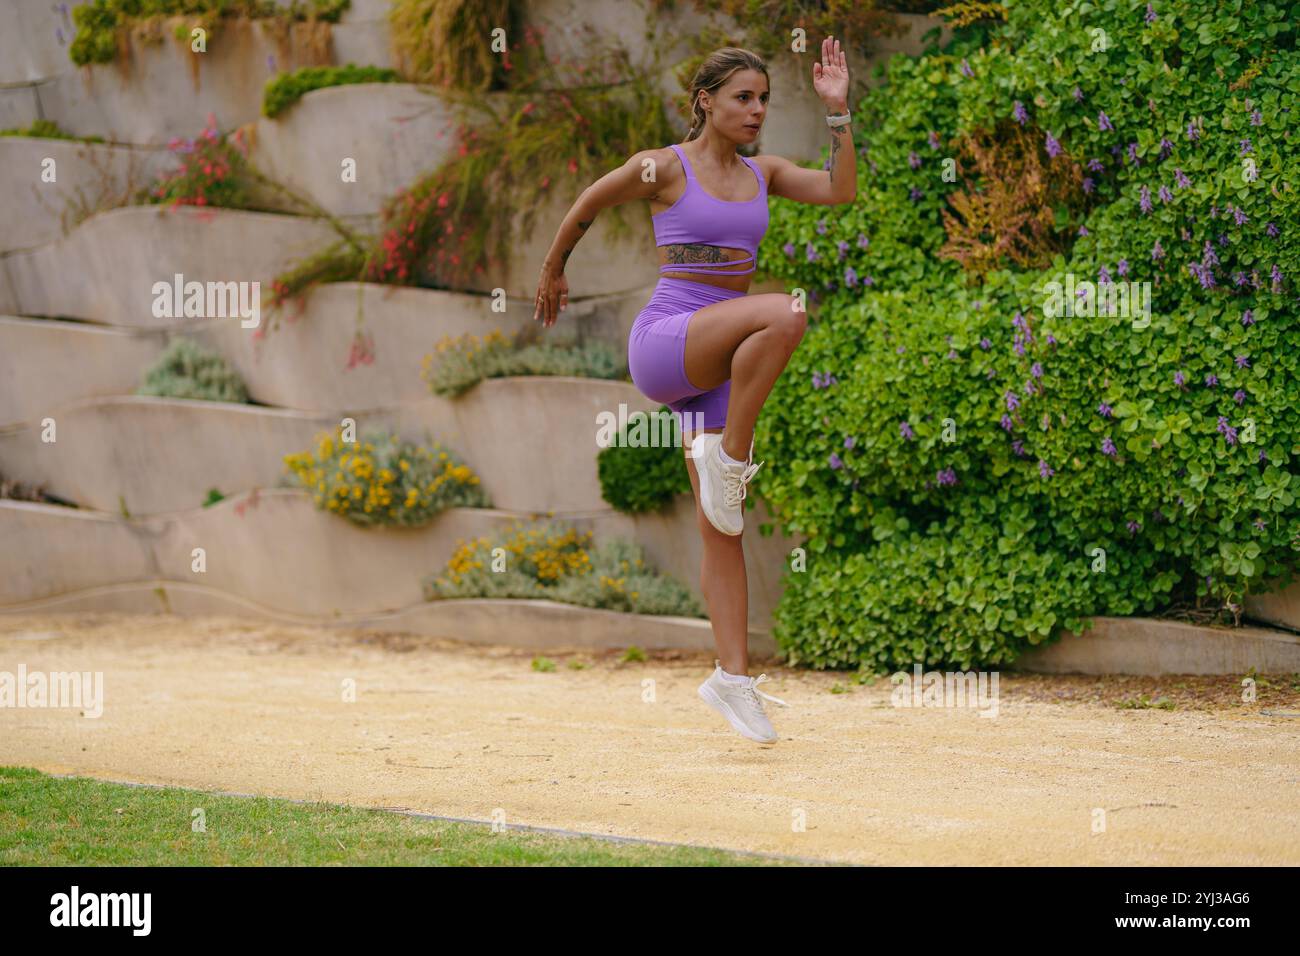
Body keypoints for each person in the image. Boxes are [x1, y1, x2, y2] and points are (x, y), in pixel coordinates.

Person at [533, 39, 856, 742]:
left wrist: (837, 114)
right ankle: (731, 460)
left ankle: (732, 680)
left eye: (765, 98)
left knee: (724, 527)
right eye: (744, 97)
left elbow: (840, 190)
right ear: (705, 101)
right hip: (667, 342)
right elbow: (591, 198)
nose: (757, 110)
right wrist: (556, 267)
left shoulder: (763, 172)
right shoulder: (665, 168)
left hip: (715, 365)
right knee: (787, 310)